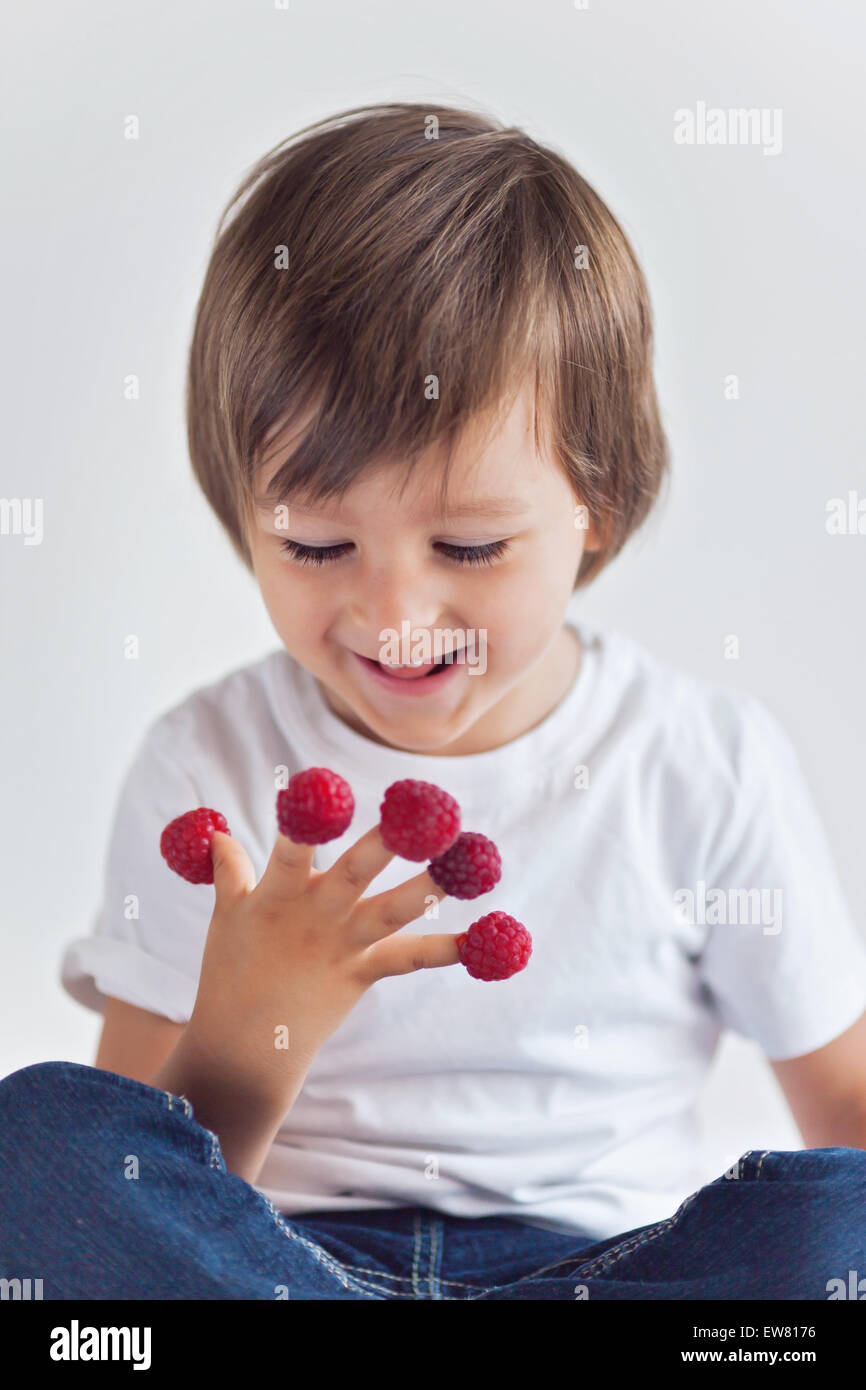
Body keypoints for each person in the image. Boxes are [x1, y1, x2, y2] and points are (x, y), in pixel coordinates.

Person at [3, 103, 866, 1300]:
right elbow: (138, 1180)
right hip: (284, 1266)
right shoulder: (206, 760)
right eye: (314, 546)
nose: (393, 611)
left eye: (466, 544)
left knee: (837, 1218)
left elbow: (844, 1114)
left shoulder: (699, 761)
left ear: (594, 511)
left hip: (606, 1273)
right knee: (39, 1143)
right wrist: (263, 1026)